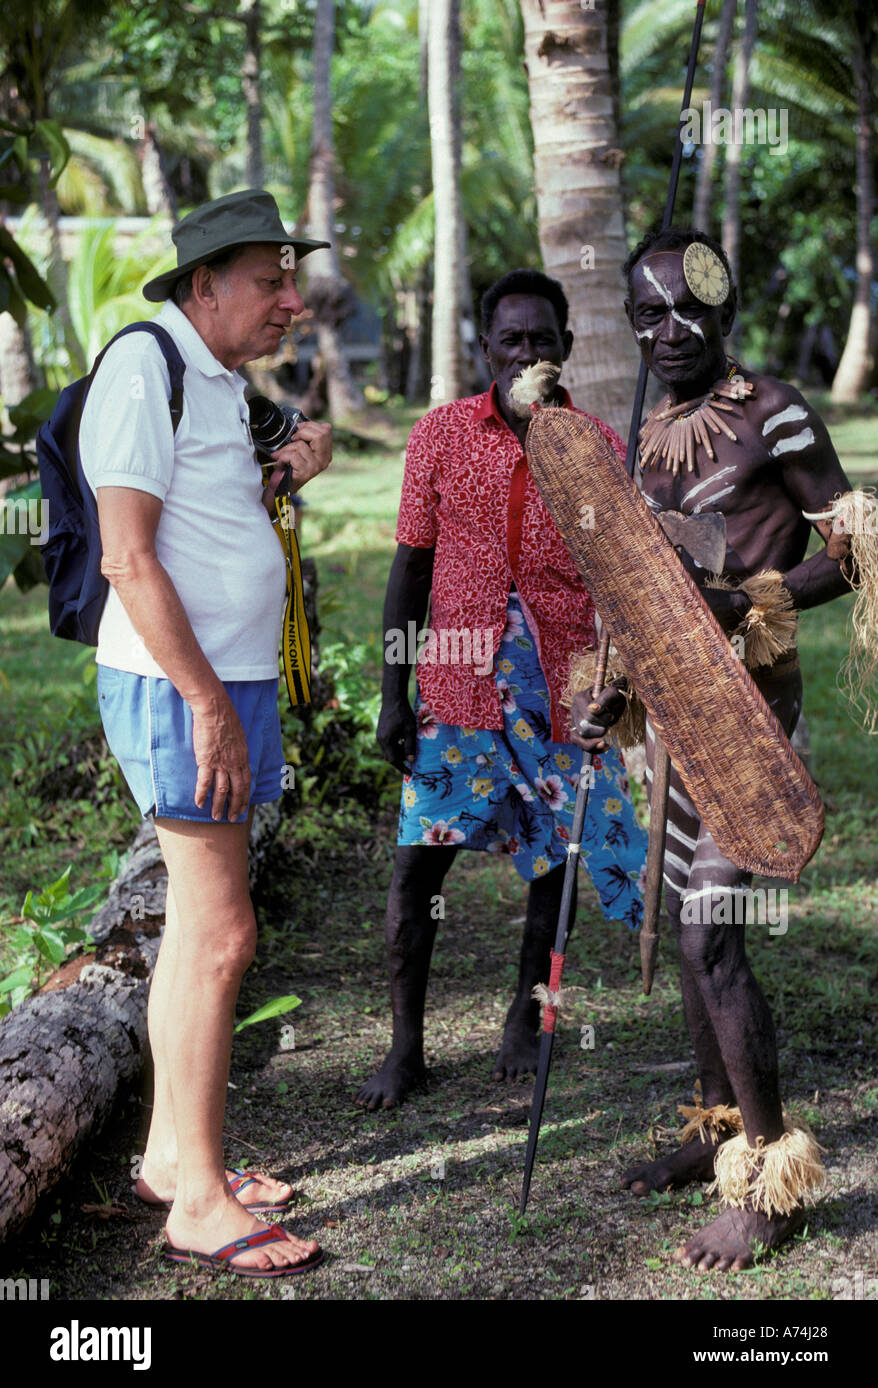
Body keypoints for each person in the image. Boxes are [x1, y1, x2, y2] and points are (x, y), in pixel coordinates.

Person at [572, 226, 859, 1272]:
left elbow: (856, 546)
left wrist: (751, 600)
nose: (666, 331)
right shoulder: (653, 432)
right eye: (644, 314)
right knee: (692, 950)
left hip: (750, 725)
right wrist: (610, 685)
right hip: (675, 722)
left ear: (720, 307)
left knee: (709, 937)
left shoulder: (772, 411)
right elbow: (647, 587)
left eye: (682, 309)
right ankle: (713, 1133)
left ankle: (773, 1183)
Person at [79, 189, 332, 1277]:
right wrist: (204, 705)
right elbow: (125, 557)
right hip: (185, 687)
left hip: (222, 679)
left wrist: (285, 470)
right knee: (224, 934)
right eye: (269, 280)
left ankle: (171, 1161)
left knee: (194, 924)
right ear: (203, 286)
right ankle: (201, 1205)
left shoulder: (215, 381)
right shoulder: (143, 366)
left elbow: (208, 516)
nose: (290, 298)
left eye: (290, 276)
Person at [357, 269, 648, 1112]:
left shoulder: (597, 445)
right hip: (456, 688)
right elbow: (410, 569)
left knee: (555, 857)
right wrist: (392, 692)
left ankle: (524, 1019)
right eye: (511, 339)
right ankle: (405, 1045)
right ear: (486, 349)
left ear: (566, 346)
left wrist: (613, 693)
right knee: (418, 864)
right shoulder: (440, 435)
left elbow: (621, 583)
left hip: (559, 693)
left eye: (542, 338)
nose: (528, 352)